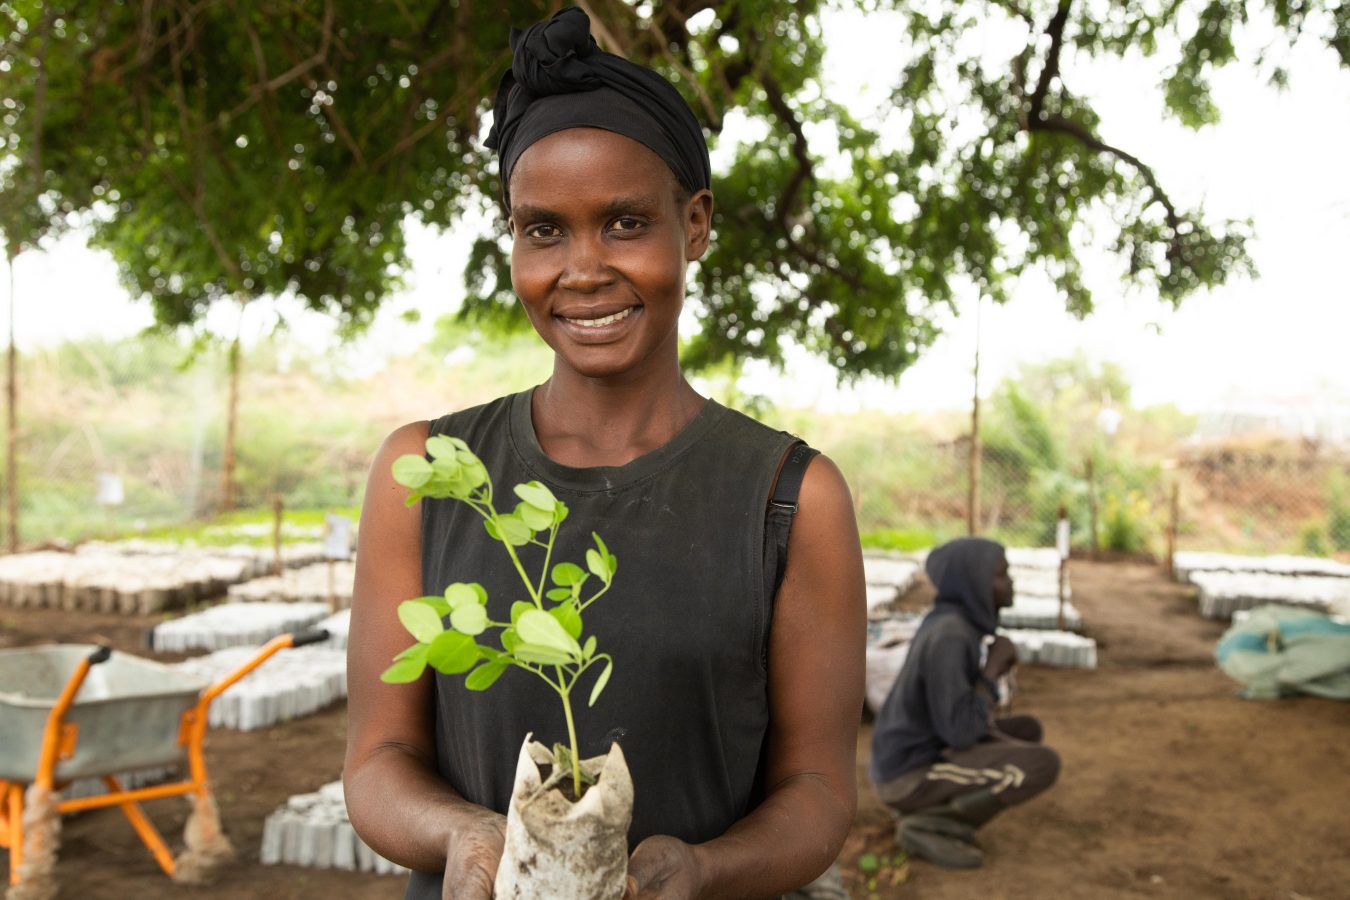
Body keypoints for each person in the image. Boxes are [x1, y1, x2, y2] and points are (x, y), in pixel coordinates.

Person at [342, 8, 867, 899]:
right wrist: (467, 837)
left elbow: (817, 789)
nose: (582, 270)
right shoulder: (431, 477)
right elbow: (378, 759)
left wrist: (702, 868)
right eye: (544, 229)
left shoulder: (789, 498)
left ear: (694, 225)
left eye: (625, 223)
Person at [869, 537, 1060, 869]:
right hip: (908, 773)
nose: (1010, 582)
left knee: (1027, 730)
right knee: (1041, 764)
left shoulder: (955, 623)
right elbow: (961, 732)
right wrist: (992, 671)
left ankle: (932, 812)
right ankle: (929, 824)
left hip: (927, 746)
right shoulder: (951, 636)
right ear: (974, 583)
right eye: (1001, 574)